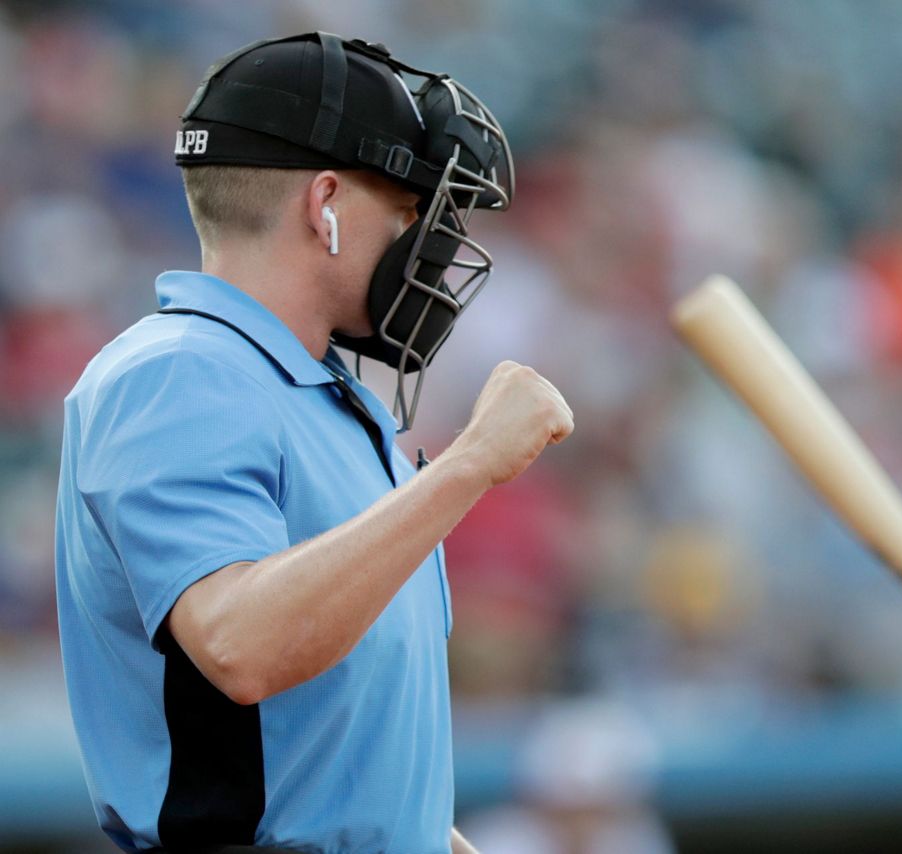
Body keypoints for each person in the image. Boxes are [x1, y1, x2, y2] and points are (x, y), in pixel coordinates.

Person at [54, 33, 573, 854]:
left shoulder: (324, 394)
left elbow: (324, 744)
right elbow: (241, 644)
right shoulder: (179, 373)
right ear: (323, 202)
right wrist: (471, 464)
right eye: (407, 208)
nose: (426, 237)